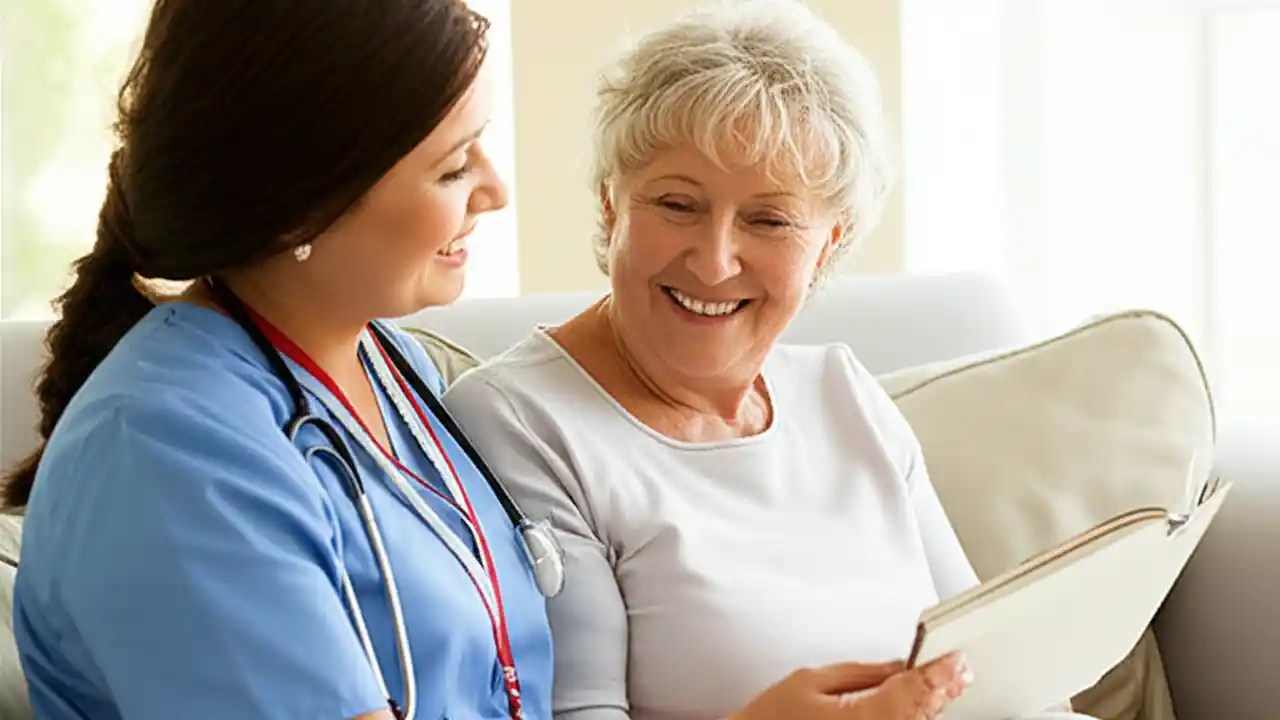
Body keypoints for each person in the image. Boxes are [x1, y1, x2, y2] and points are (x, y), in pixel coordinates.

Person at [4, 1, 967, 719]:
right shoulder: (169, 455)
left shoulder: (393, 377)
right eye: (454, 164)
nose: (498, 191)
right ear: (300, 196)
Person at [441, 2, 1096, 719]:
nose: (715, 260)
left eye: (769, 219)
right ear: (609, 204)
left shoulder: (842, 393)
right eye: (677, 204)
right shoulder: (518, 422)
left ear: (829, 241)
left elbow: (995, 676)